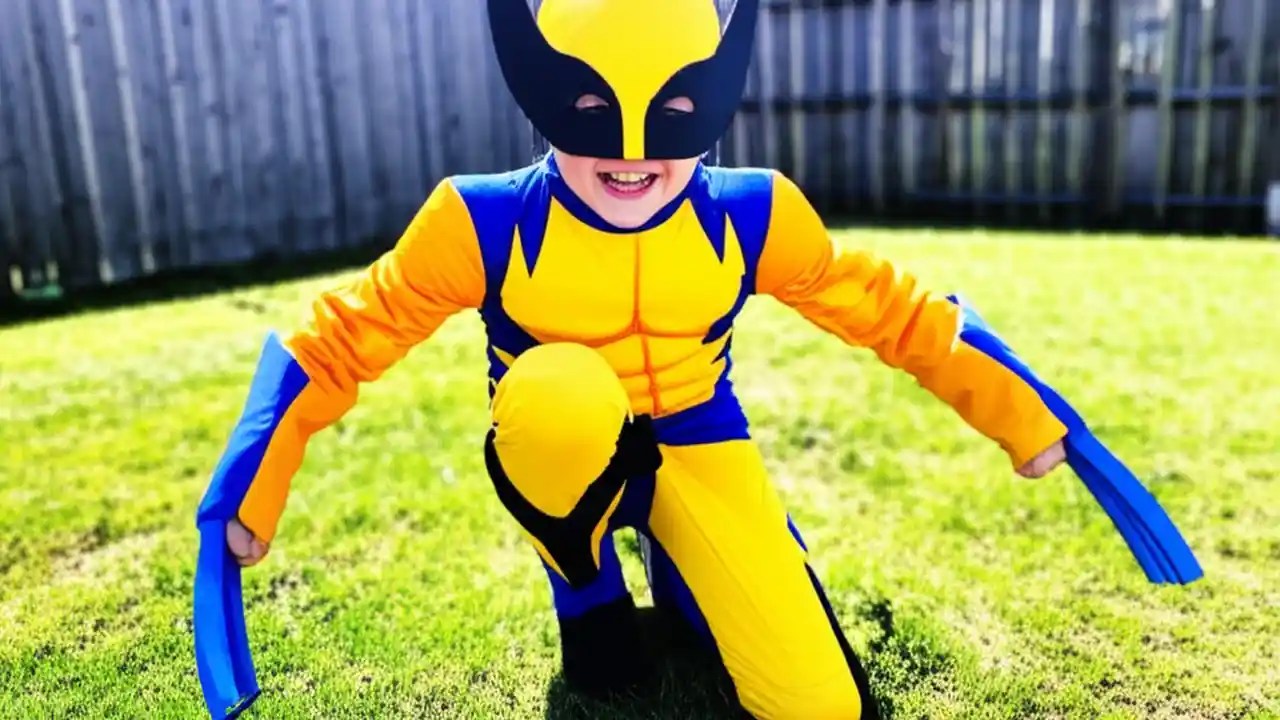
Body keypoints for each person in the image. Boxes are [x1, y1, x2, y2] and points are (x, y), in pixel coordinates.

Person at [197, 0, 1069, 717]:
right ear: (544, 95)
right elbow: (346, 334)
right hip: (562, 446)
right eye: (592, 117)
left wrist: (1020, 414)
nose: (633, 155)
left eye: (675, 117)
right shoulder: (482, 222)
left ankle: (689, 562)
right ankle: (585, 587)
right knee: (560, 403)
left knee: (818, 707)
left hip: (700, 444)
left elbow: (890, 311)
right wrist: (253, 487)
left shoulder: (751, 212)